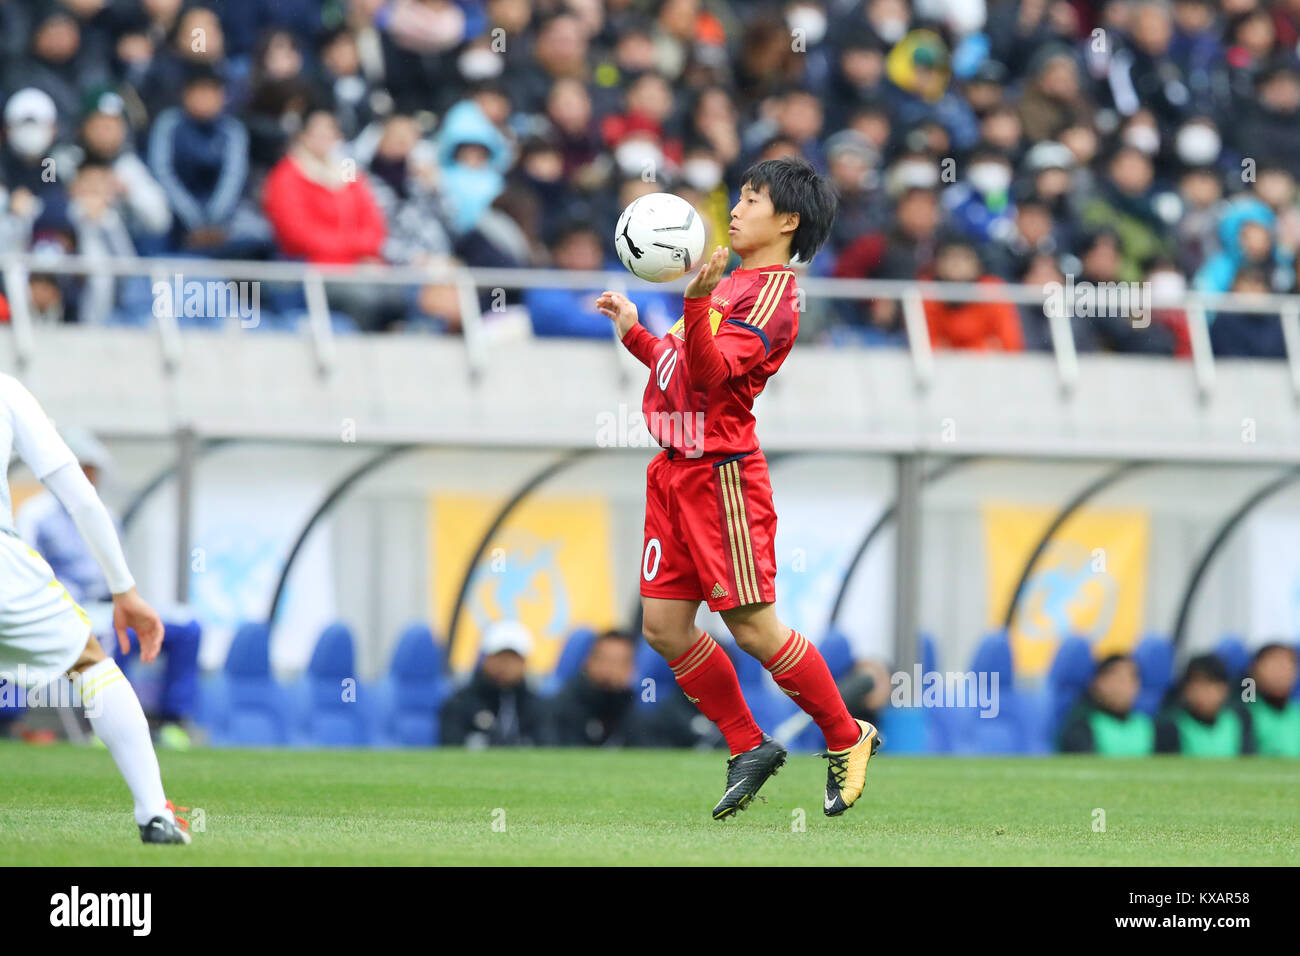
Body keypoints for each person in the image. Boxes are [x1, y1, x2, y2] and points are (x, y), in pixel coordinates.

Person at [596, 156, 880, 821]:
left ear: (788, 220)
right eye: (740, 195)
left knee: (752, 627)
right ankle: (748, 743)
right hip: (672, 470)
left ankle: (848, 734)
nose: (738, 208)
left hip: (721, 476)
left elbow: (715, 375)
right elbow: (677, 365)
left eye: (752, 198)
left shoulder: (772, 294)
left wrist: (694, 303)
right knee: (665, 627)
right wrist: (634, 329)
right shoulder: (730, 283)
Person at [0, 374, 187, 844]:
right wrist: (126, 591)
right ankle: (154, 815)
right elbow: (81, 498)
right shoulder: (7, 391)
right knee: (89, 664)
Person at [15, 430, 200, 749]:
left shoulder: (105, 514)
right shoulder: (36, 513)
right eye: (82, 468)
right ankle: (104, 724)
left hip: (110, 604)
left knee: (187, 628)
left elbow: (120, 572)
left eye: (93, 470)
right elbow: (26, 572)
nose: (88, 477)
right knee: (115, 634)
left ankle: (172, 719)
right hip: (68, 608)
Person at [438, 620, 544, 748]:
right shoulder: (460, 703)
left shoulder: (537, 707)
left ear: (524, 663)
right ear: (485, 659)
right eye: (499, 657)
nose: (506, 665)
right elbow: (450, 745)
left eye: (513, 658)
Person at [543, 629, 642, 747]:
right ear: (588, 662)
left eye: (618, 663)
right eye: (604, 660)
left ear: (631, 669)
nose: (609, 669)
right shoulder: (563, 708)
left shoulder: (634, 711)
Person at [1155, 654, 1253, 756]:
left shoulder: (1239, 720)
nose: (1204, 692)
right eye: (1198, 683)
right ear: (1185, 689)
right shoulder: (1170, 726)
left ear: (1225, 689)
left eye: (1211, 683)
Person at [1059, 654, 1156, 756]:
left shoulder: (1148, 726)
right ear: (1098, 683)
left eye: (1132, 679)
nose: (1126, 687)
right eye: (1119, 679)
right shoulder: (1083, 727)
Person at [1246, 643, 1300, 757]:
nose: (1280, 673)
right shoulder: (1242, 715)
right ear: (1254, 670)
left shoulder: (1296, 714)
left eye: (1287, 665)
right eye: (1273, 665)